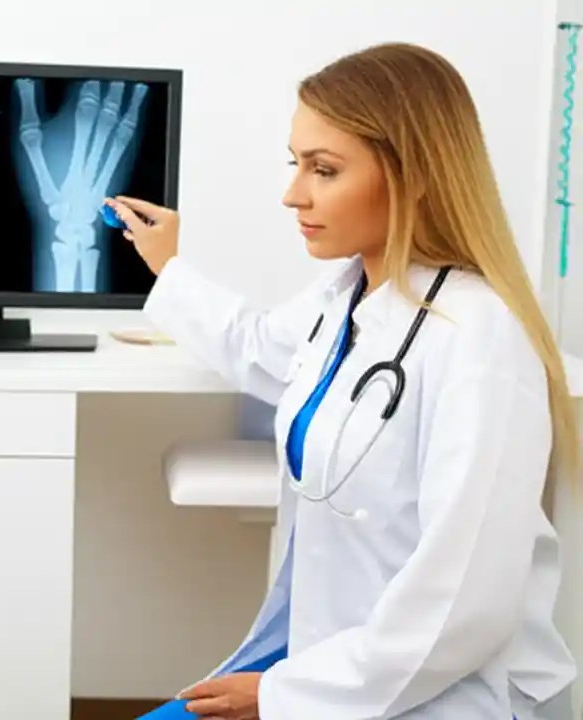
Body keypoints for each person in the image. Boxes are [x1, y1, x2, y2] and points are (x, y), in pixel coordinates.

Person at [116, 42, 579, 719]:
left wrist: (284, 696)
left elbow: (464, 602)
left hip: (426, 693)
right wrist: (168, 265)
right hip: (324, 660)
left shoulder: (479, 337)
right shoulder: (348, 297)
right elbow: (258, 347)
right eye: (295, 163)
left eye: (324, 169)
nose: (292, 194)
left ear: (415, 173)